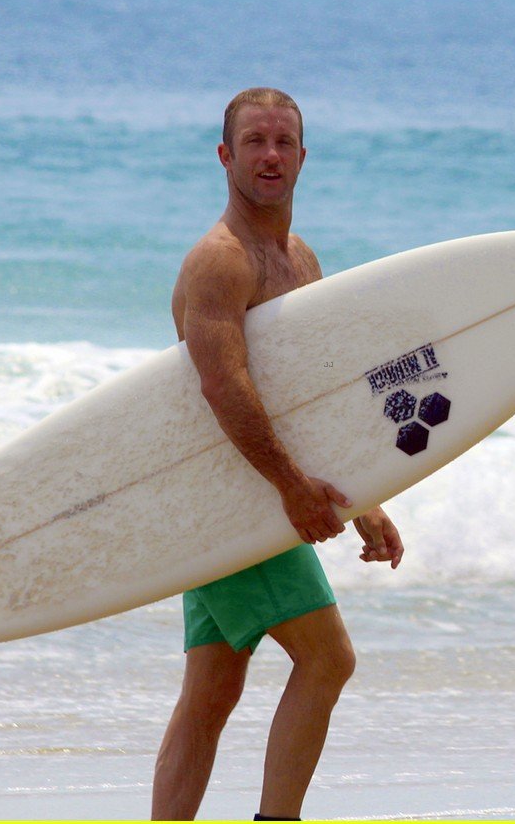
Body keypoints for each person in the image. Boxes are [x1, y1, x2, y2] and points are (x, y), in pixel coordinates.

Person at [152, 88, 405, 821]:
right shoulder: (220, 263)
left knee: (212, 690)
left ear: (302, 156)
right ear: (226, 156)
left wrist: (365, 500)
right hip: (232, 495)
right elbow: (221, 385)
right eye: (254, 142)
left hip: (239, 495)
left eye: (284, 142)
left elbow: (318, 395)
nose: (270, 155)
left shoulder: (298, 257)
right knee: (329, 660)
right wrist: (294, 487)